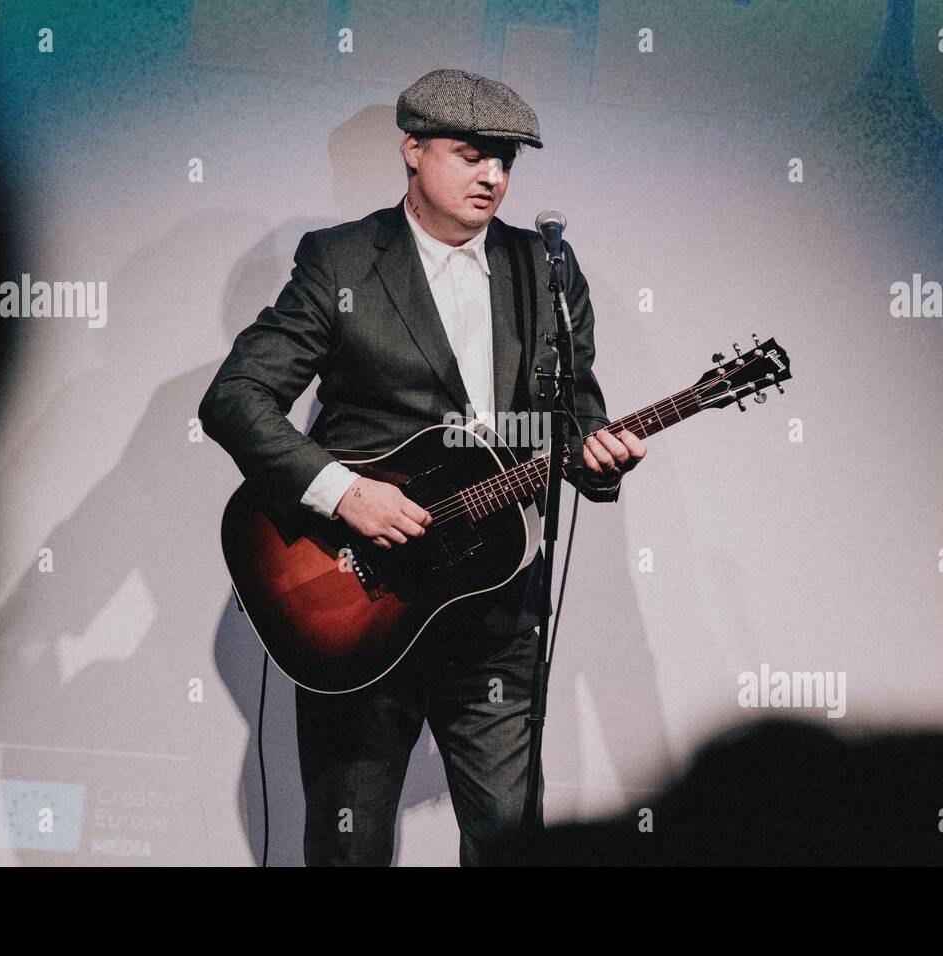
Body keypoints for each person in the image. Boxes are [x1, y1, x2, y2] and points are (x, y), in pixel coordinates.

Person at [198, 68, 645, 866]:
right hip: (361, 599)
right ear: (413, 149)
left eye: (506, 160)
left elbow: (577, 411)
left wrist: (599, 456)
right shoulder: (339, 262)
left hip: (498, 603)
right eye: (472, 154)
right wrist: (344, 493)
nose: (494, 177)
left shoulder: (546, 267)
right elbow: (235, 399)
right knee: (350, 842)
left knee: (511, 839)